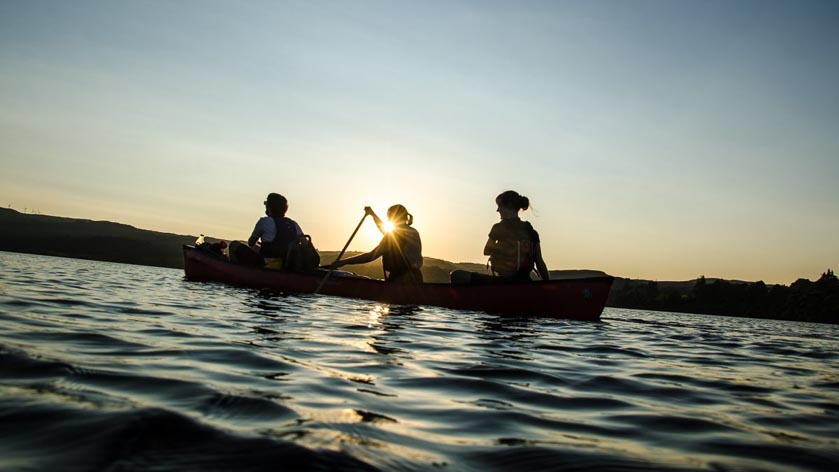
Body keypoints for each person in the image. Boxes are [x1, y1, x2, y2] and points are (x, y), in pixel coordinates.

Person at [451, 190, 550, 283]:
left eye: (500, 206)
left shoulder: (498, 228)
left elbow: (486, 251)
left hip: (503, 281)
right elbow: (540, 262)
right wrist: (548, 284)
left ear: (509, 206)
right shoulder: (531, 231)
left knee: (456, 275)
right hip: (526, 281)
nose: (498, 210)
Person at [330, 205, 423, 283]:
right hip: (416, 278)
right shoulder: (412, 231)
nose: (388, 221)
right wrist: (372, 214)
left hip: (402, 280)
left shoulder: (397, 235)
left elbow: (371, 256)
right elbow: (385, 230)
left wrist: (344, 262)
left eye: (389, 218)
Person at [229, 193, 303, 267]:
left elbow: (251, 243)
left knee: (234, 244)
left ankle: (237, 270)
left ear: (269, 207)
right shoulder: (294, 224)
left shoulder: (264, 221)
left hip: (266, 263)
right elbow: (305, 243)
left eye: (266, 204)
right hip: (288, 264)